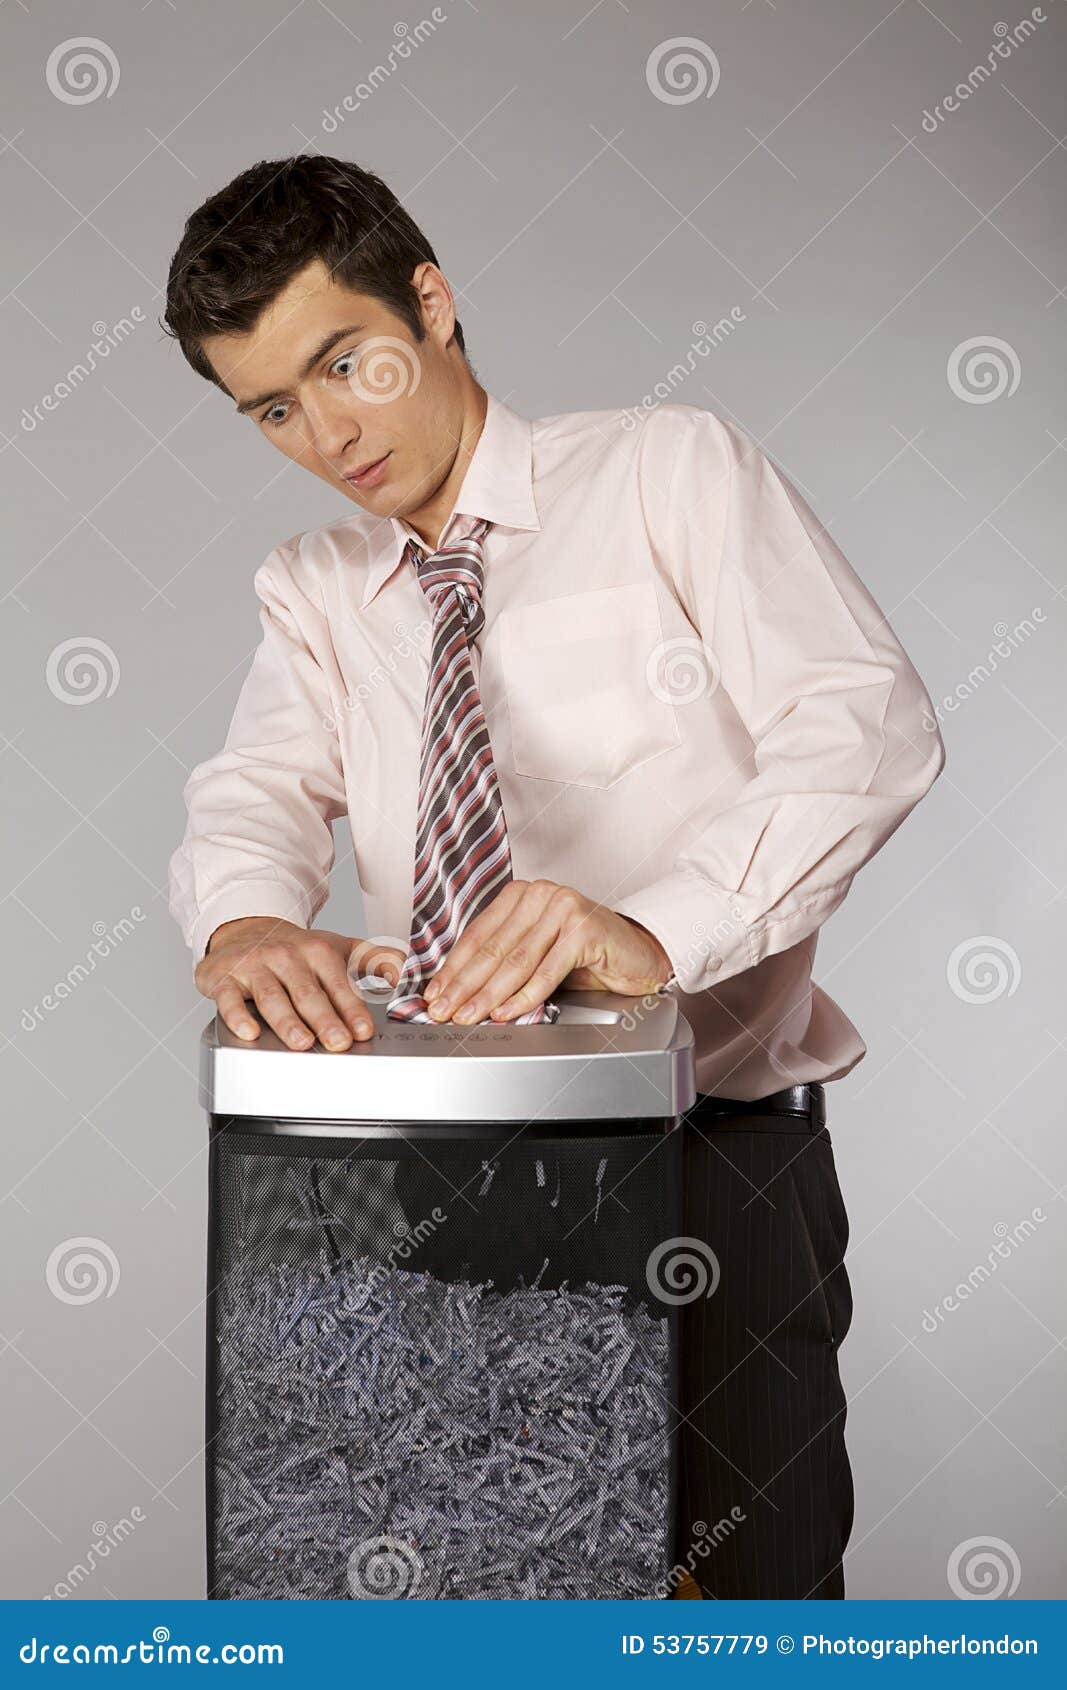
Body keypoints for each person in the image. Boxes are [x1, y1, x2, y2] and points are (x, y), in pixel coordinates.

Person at [164, 155, 945, 1599]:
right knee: (478, 1601)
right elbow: (256, 789)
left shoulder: (664, 471)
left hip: (716, 1163)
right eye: (272, 406)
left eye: (347, 361)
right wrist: (246, 915)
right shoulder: (318, 589)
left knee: (752, 1611)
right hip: (440, 1186)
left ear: (434, 302)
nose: (328, 431)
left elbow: (866, 718)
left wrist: (657, 927)